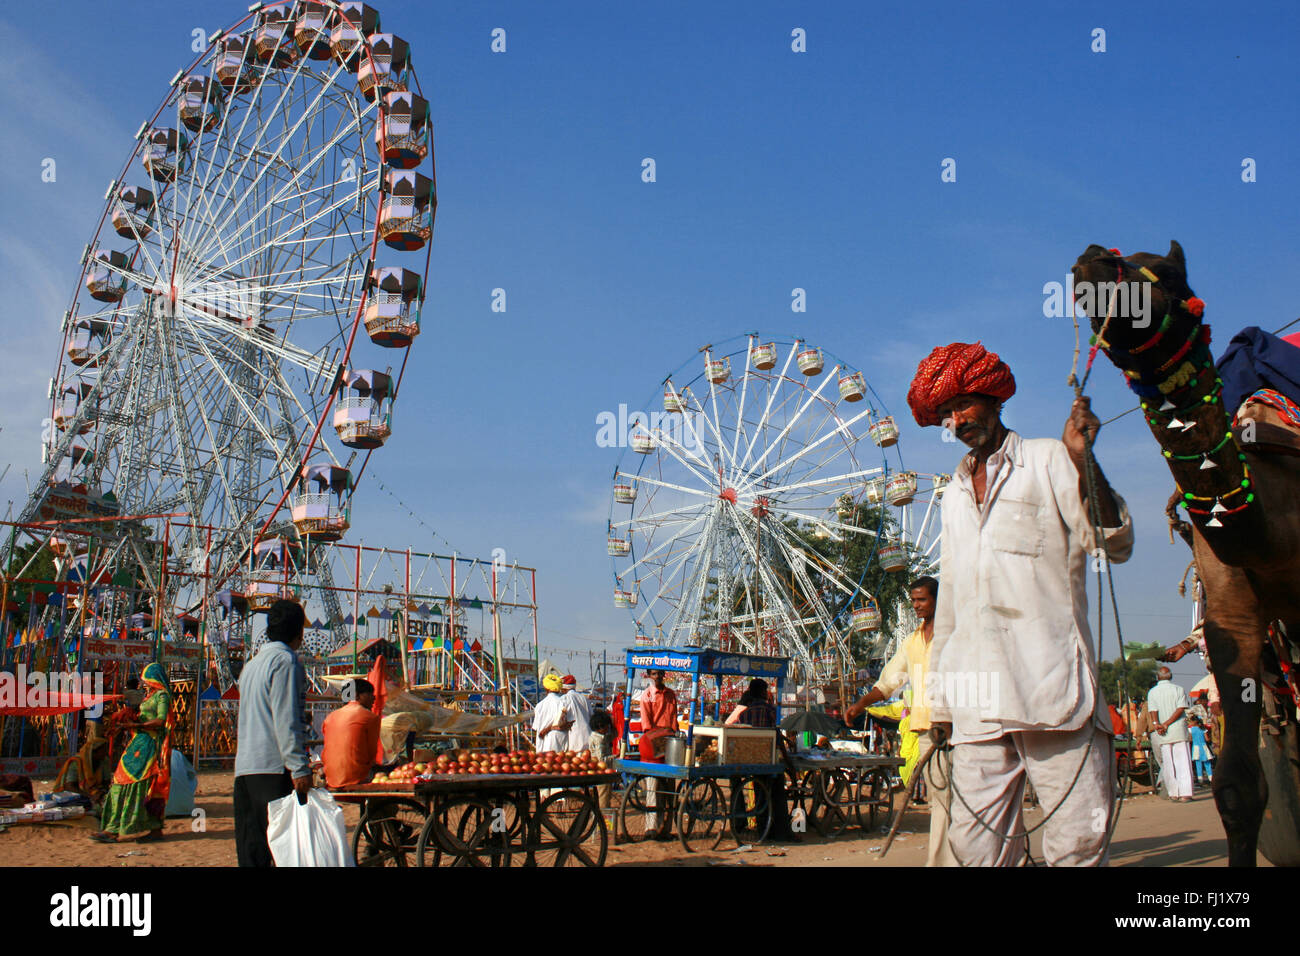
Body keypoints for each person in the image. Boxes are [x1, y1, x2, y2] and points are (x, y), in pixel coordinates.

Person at [908, 342, 1134, 866]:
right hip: (975, 705)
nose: (957, 420)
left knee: (1076, 845)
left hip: (1052, 691)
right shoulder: (954, 495)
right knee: (975, 850)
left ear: (993, 397)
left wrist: (1084, 460)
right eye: (945, 413)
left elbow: (1112, 543)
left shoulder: (1047, 459)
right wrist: (941, 705)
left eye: (963, 404)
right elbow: (954, 609)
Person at [844, 576, 955, 866]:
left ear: (937, 600)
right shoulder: (912, 642)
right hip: (926, 732)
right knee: (940, 801)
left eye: (922, 600)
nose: (916, 606)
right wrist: (860, 704)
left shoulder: (954, 635)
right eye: (914, 600)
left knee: (959, 800)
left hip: (955, 728)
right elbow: (889, 682)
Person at [233, 599, 313, 867]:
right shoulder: (286, 662)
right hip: (273, 770)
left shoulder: (251, 666)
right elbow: (286, 718)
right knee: (285, 851)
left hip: (245, 771)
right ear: (298, 632)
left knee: (252, 853)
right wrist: (299, 767)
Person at [91, 662, 176, 843]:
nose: (144, 683)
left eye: (146, 679)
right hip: (138, 741)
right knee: (122, 782)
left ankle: (124, 830)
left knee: (137, 784)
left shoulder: (162, 696)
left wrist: (135, 725)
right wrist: (126, 721)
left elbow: (161, 721)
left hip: (149, 745)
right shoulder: (149, 696)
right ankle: (114, 827)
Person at [321, 679, 382, 789]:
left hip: (330, 777)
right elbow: (372, 752)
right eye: (369, 694)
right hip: (356, 777)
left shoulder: (330, 717)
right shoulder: (370, 717)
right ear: (357, 696)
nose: (373, 698)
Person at [1147, 667, 1194, 802]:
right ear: (1171, 676)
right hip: (1177, 729)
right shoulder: (1178, 689)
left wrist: (1157, 724)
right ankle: (1185, 794)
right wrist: (1166, 724)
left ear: (1158, 677)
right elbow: (1180, 709)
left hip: (1162, 732)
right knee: (1183, 762)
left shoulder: (1152, 692)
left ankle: (1173, 793)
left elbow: (1153, 710)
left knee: (1168, 763)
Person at [57, 719, 112, 807]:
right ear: (94, 752)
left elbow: (106, 782)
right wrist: (90, 796)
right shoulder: (76, 762)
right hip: (76, 796)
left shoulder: (104, 761)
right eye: (103, 751)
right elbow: (69, 786)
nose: (105, 753)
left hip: (96, 793)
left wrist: (100, 793)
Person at [637, 669, 678, 762]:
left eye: (659, 673)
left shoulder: (670, 694)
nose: (657, 676)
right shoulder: (647, 695)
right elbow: (646, 720)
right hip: (654, 740)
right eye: (654, 674)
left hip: (670, 738)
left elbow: (674, 717)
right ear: (649, 676)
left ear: (663, 674)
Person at [532, 673, 572, 752]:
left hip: (543, 742)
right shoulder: (563, 702)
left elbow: (536, 727)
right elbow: (568, 723)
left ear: (546, 689)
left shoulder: (540, 705)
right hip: (559, 739)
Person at [588, 711, 617, 809]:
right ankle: (602, 817)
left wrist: (612, 726)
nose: (608, 728)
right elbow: (601, 759)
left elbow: (614, 735)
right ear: (600, 727)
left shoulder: (600, 736)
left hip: (601, 770)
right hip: (601, 770)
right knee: (603, 796)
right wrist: (615, 757)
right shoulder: (599, 740)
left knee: (604, 795)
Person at [561, 675, 592, 752]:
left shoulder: (565, 698)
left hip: (575, 736)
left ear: (564, 688)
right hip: (588, 734)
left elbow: (561, 717)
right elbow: (591, 715)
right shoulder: (583, 698)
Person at [1188, 715, 1214, 787]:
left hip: (1196, 748)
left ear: (1194, 722)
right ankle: (1211, 778)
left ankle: (1200, 780)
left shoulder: (1191, 730)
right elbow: (1207, 739)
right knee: (1207, 763)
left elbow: (1190, 739)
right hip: (1204, 747)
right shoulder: (1203, 729)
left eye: (1191, 721)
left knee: (1198, 764)